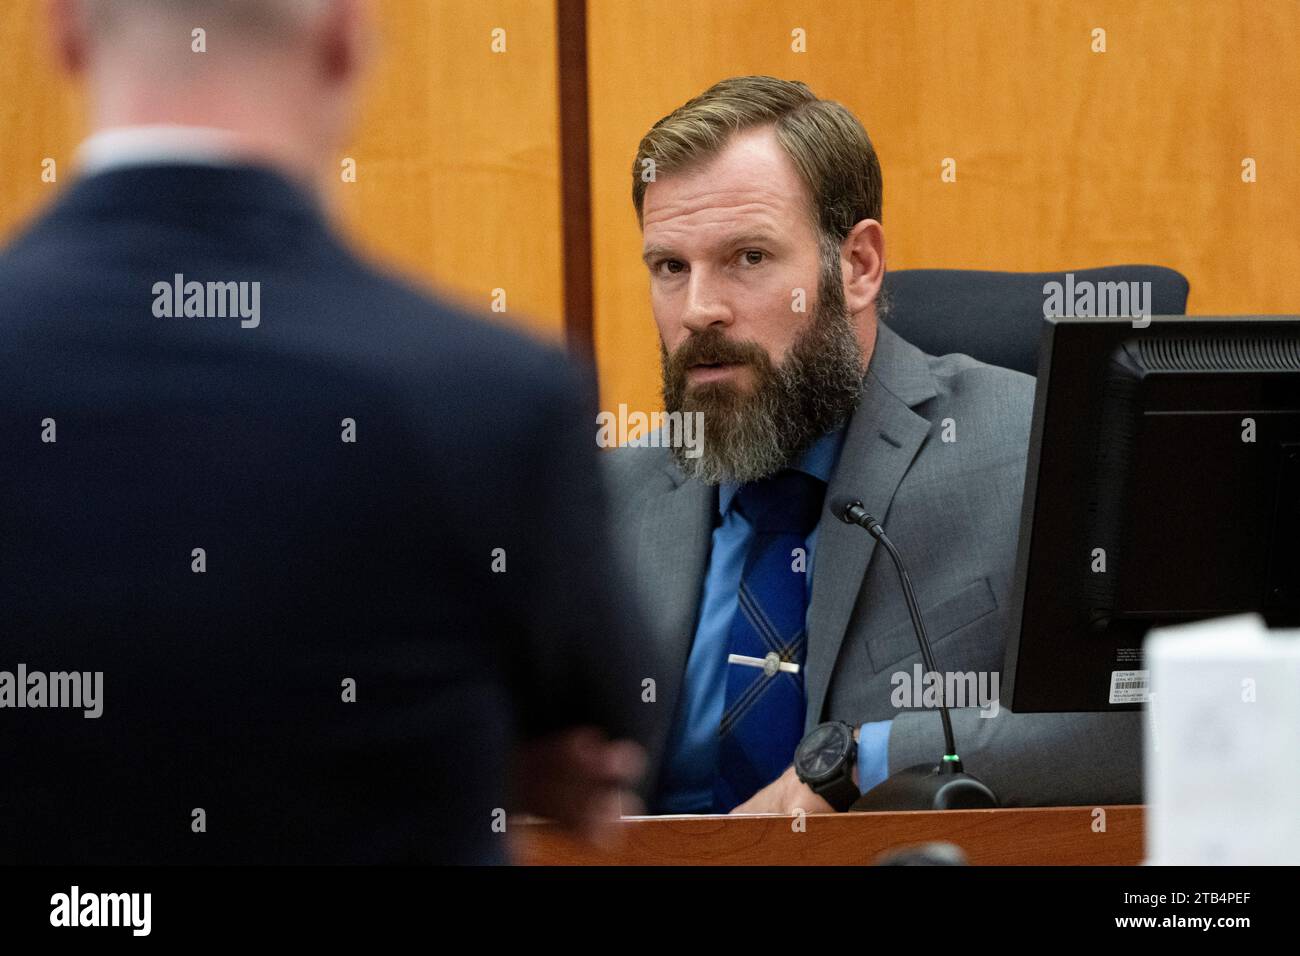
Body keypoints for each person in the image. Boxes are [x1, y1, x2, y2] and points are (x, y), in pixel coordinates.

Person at [0, 0, 650, 864]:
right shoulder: (492, 398)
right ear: (345, 40)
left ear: (63, 32)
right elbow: (617, 720)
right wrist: (469, 740)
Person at [605, 75, 1140, 814]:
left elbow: (1166, 723)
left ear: (857, 266)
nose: (699, 310)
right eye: (671, 267)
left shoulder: (1041, 456)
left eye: (749, 258)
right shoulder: (598, 500)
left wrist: (866, 762)